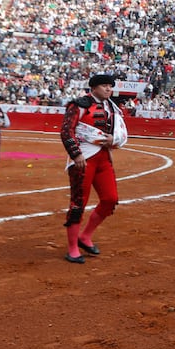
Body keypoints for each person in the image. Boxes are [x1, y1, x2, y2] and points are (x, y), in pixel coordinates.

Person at [60, 73, 128, 264]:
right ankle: (72, 247)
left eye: (110, 86)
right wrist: (76, 154)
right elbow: (66, 131)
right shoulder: (79, 105)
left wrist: (113, 141)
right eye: (104, 85)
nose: (108, 89)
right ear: (94, 87)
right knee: (78, 203)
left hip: (104, 159)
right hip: (84, 159)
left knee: (110, 199)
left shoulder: (112, 108)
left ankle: (85, 236)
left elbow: (117, 133)